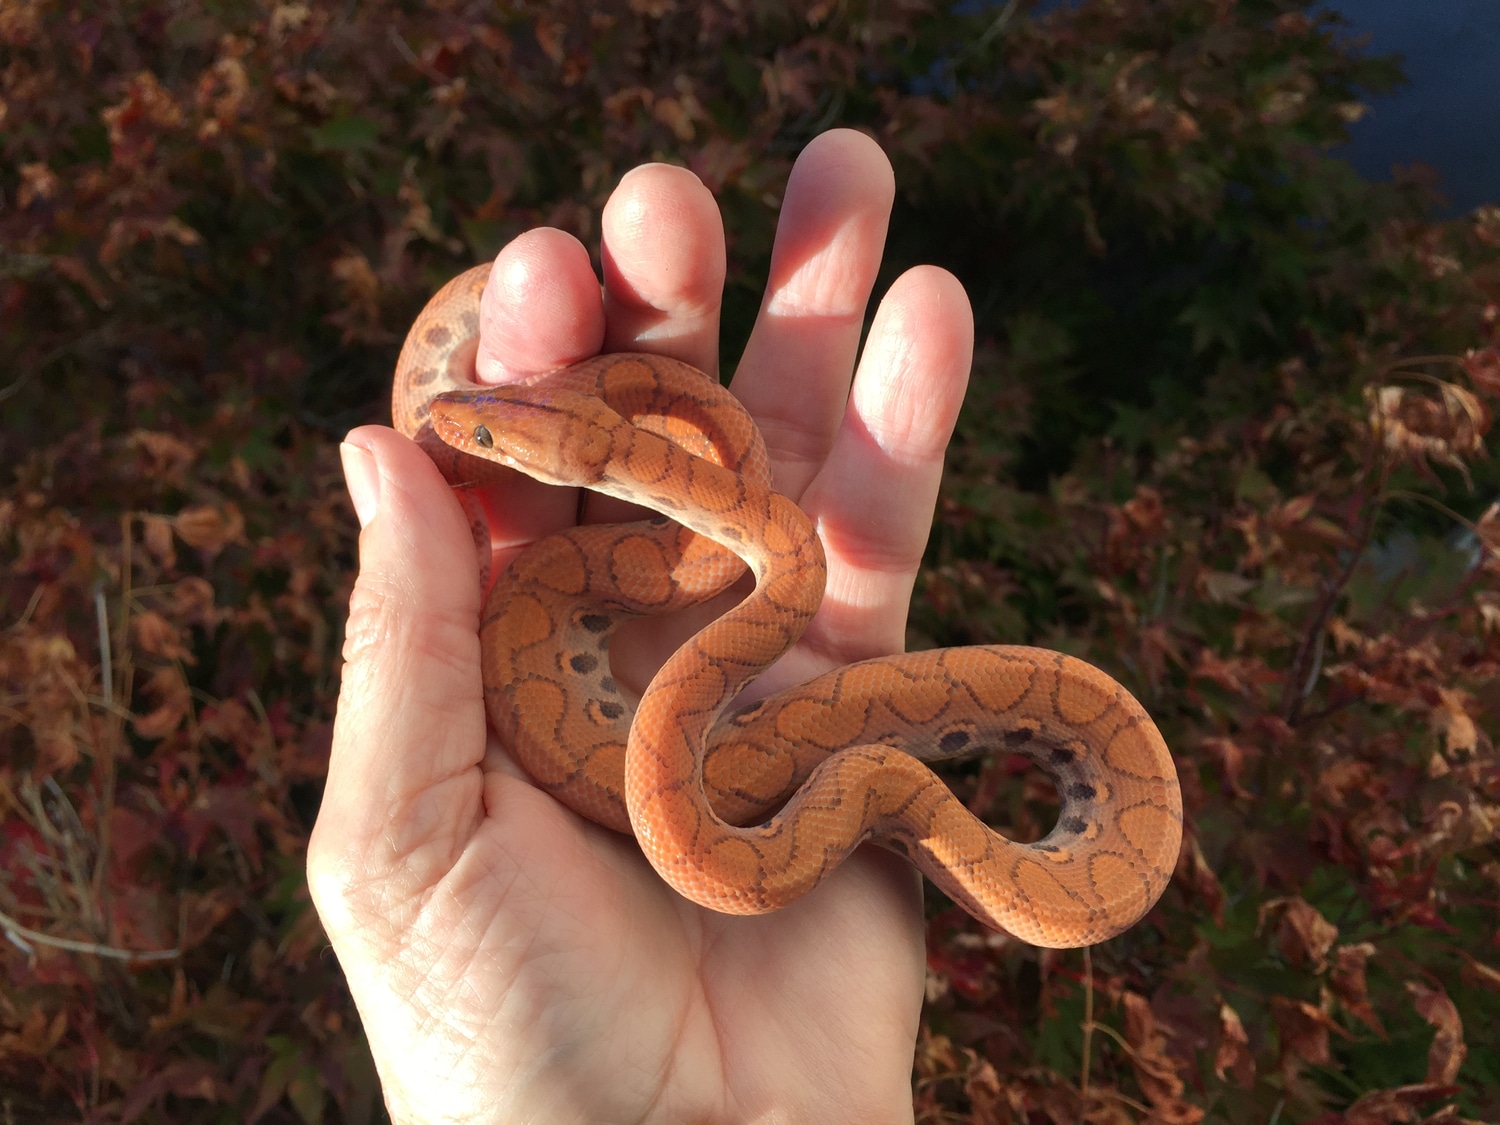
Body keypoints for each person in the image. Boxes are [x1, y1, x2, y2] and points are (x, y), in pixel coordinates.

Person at [308, 128, 975, 1124]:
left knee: (866, 763)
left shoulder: (754, 552)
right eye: (501, 427)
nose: (484, 432)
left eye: (499, 435)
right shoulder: (742, 535)